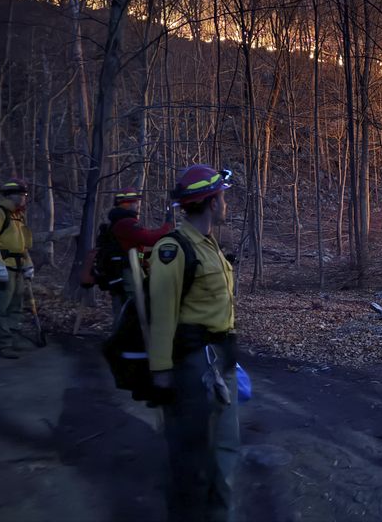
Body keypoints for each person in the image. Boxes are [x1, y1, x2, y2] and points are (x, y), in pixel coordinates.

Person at [148, 165, 238, 522]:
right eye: (222, 197)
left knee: (225, 449)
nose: (225, 202)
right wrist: (161, 373)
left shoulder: (209, 243)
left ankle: (218, 515)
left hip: (220, 358)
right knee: (192, 458)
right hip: (193, 367)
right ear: (212, 203)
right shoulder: (173, 248)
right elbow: (162, 314)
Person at [0, 178, 34, 359]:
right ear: (10, 195)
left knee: (15, 306)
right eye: (21, 194)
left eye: (25, 195)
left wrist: (28, 264)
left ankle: (12, 338)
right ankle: (0, 343)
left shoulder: (18, 216)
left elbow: (23, 245)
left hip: (17, 268)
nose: (24, 198)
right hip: (2, 268)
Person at [108, 187, 173, 318]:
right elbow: (150, 239)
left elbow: (135, 251)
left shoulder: (121, 223)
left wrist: (145, 257)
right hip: (128, 272)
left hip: (130, 269)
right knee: (134, 308)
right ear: (127, 204)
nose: (138, 205)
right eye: (135, 202)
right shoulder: (126, 223)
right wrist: (168, 225)